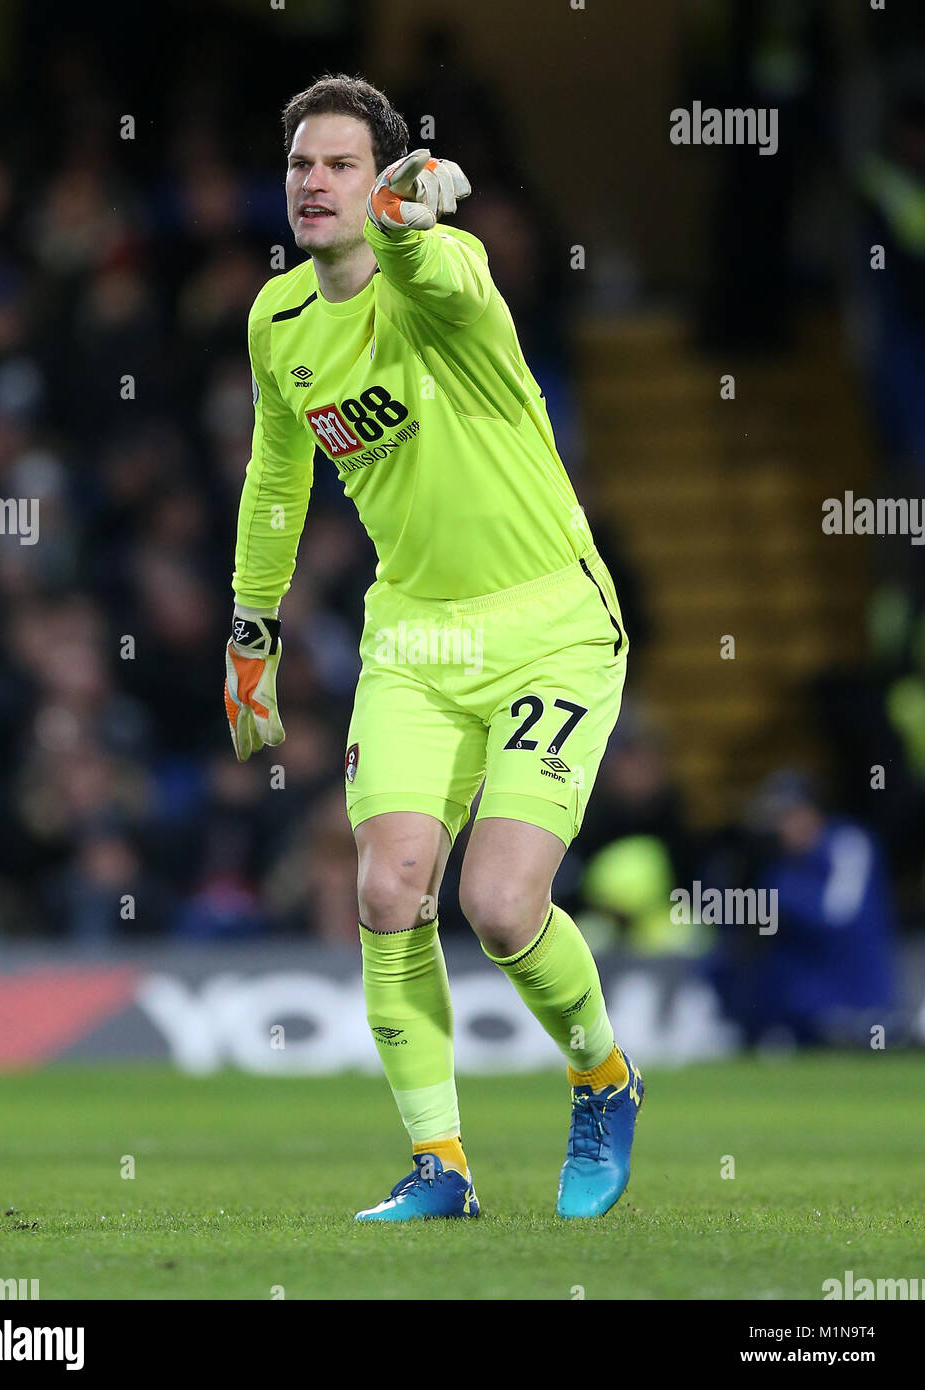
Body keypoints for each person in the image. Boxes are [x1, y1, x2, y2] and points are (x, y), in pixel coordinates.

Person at [224, 73, 641, 1221]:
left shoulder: (447, 277)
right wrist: (251, 629)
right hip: (410, 633)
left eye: (340, 164)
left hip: (547, 623)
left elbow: (424, 261)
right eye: (301, 163)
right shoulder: (276, 321)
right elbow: (275, 474)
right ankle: (439, 1165)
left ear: (383, 180)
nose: (313, 182)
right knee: (385, 886)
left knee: (502, 906)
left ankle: (603, 1078)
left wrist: (416, 219)